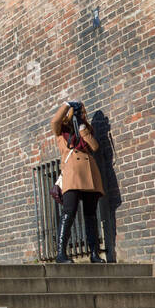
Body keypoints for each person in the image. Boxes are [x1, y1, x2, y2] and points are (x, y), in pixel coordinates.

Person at [50, 101, 104, 263]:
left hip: (89, 174)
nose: (81, 114)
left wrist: (82, 128)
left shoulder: (86, 128)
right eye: (78, 112)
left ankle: (94, 254)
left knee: (91, 215)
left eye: (82, 112)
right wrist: (66, 105)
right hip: (72, 173)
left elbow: (94, 147)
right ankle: (61, 253)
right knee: (69, 212)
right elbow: (54, 121)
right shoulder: (62, 130)